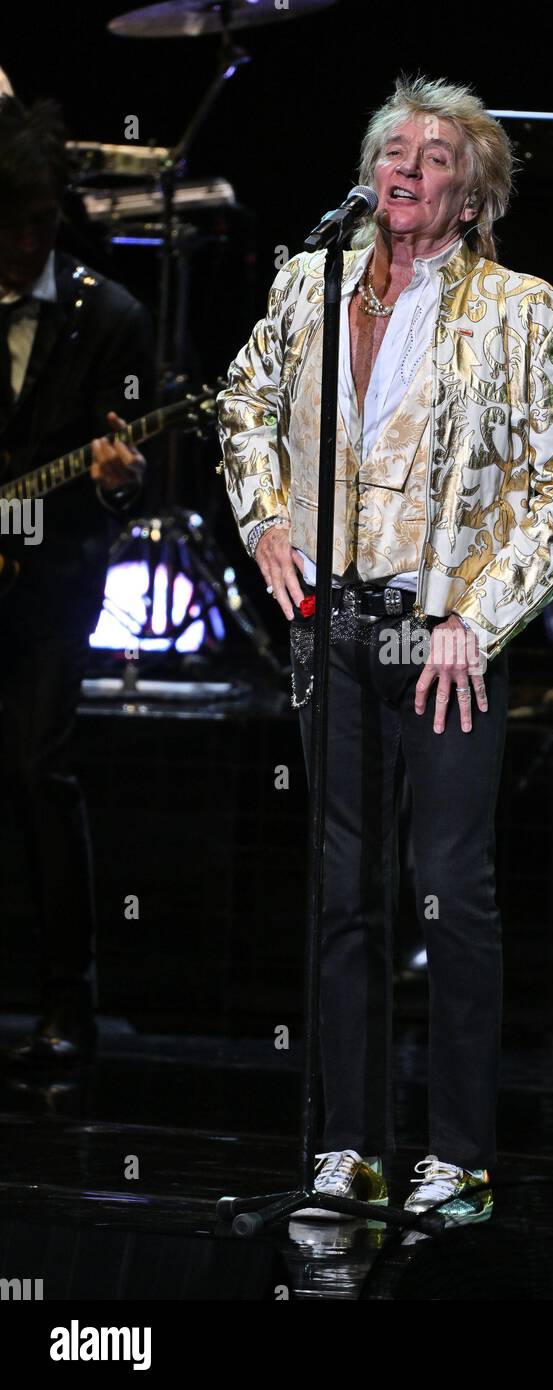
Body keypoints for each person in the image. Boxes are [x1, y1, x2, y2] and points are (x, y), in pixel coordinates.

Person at [218, 75, 553, 1222]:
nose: (408, 169)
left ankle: (458, 1156)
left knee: (449, 892)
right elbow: (239, 402)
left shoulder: (527, 313)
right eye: (394, 148)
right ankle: (348, 1145)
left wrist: (474, 618)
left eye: (436, 158)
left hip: (442, 643)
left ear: (473, 194)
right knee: (342, 892)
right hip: (327, 632)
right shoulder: (308, 283)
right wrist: (266, 516)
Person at [0, 97, 153, 1065]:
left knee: (37, 773)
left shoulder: (110, 317)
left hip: (50, 584)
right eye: (7, 223)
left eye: (40, 222)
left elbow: (140, 481)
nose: (22, 243)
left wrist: (117, 484)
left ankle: (69, 1003)